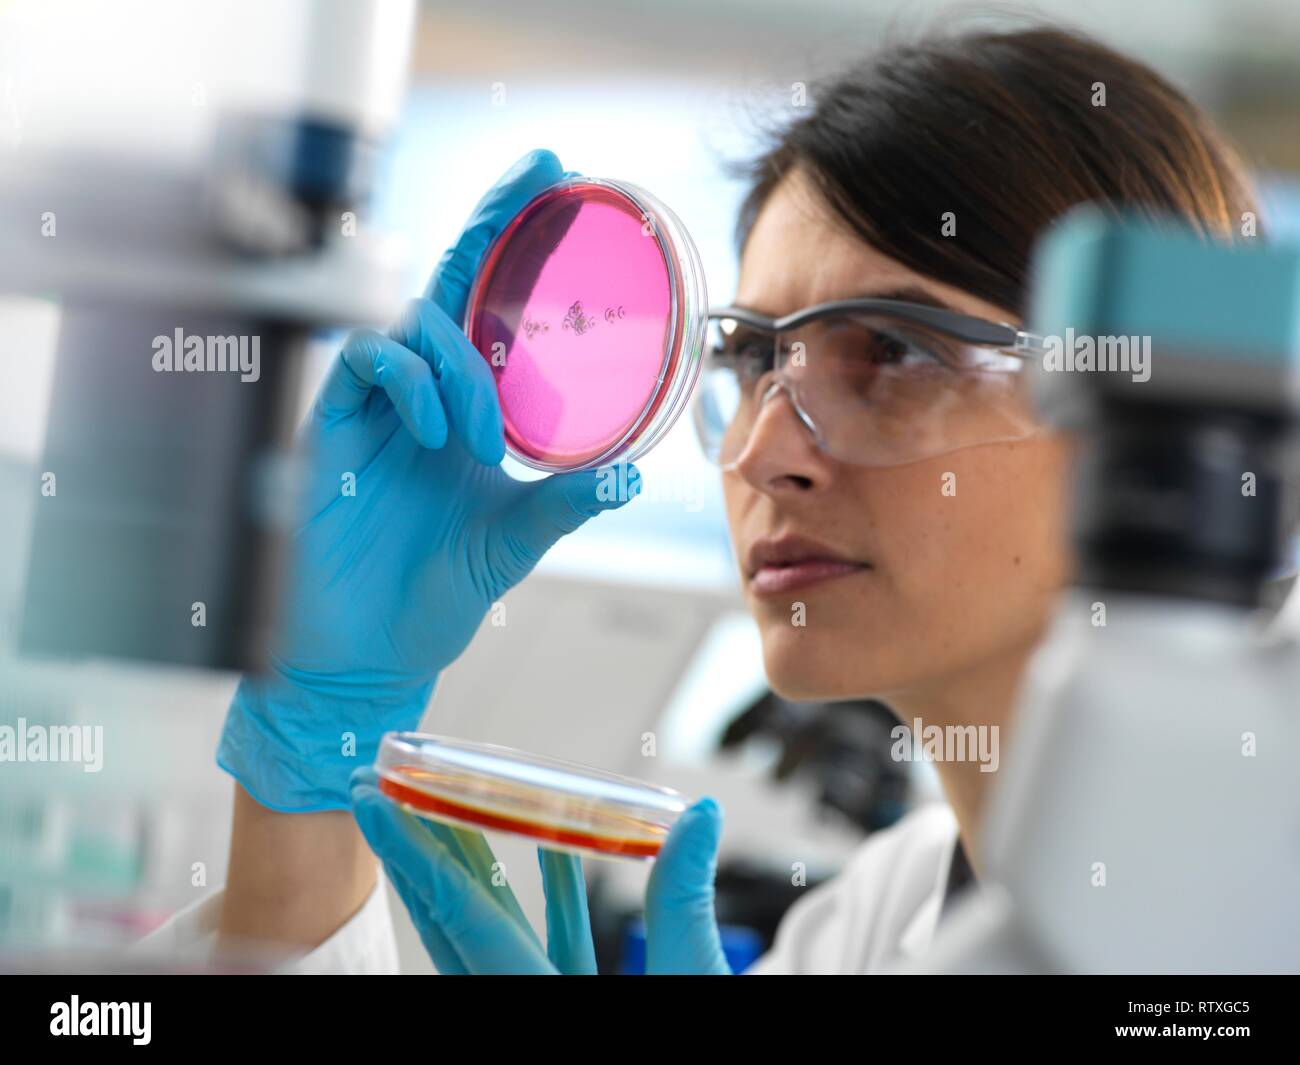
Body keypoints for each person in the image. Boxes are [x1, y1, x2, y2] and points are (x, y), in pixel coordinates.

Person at [142, 24, 1260, 973]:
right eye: (751, 361)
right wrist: (312, 756)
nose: (767, 452)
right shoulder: (870, 926)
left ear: (1144, 410)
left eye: (891, 352)